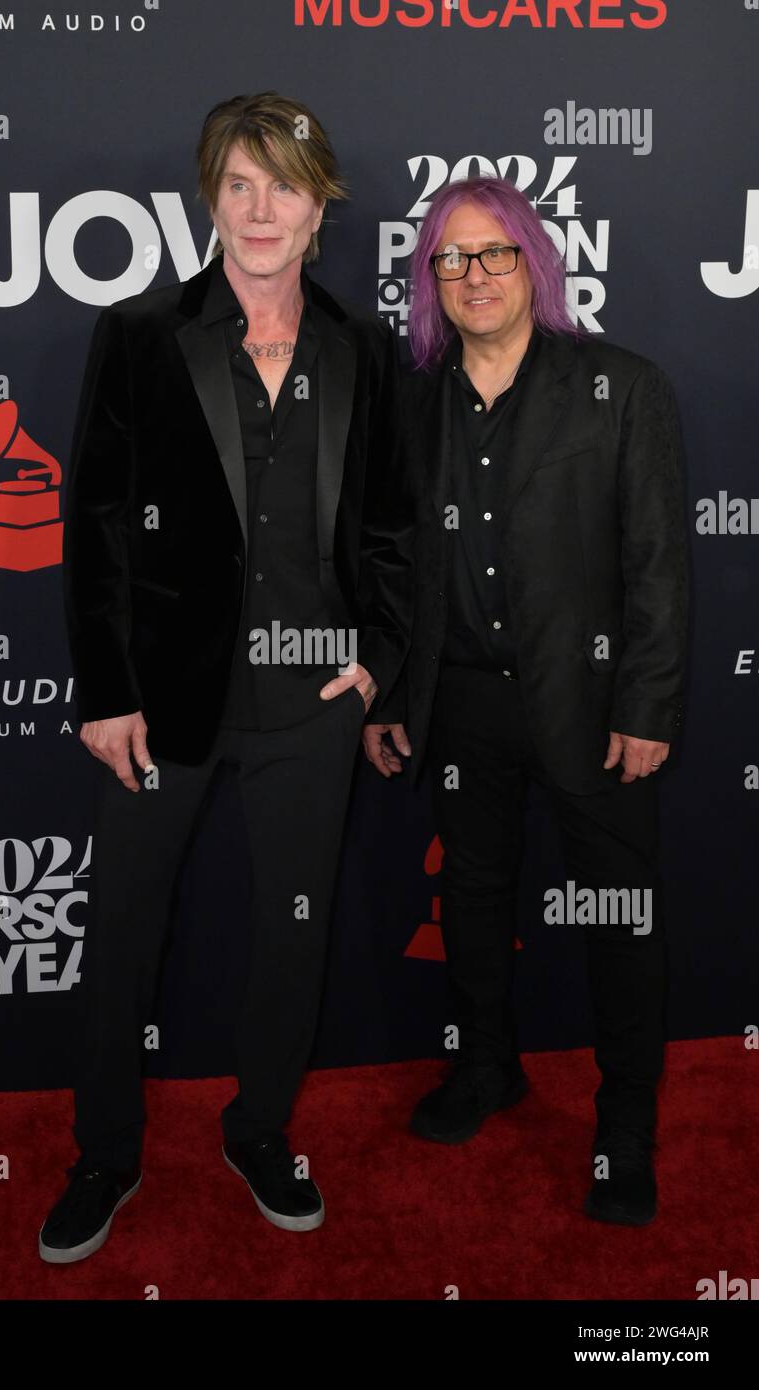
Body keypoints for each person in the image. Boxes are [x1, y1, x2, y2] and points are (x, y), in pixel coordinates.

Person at [39, 92, 412, 1262]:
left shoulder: (365, 349)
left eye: (284, 187)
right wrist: (105, 687)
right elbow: (94, 519)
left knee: (289, 933)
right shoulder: (142, 334)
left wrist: (377, 661)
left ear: (319, 207)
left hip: (310, 706)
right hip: (164, 702)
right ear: (211, 199)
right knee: (123, 932)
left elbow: (396, 529)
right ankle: (105, 1152)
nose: (261, 210)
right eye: (239, 185)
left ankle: (257, 1129)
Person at [364, 175, 688, 1227]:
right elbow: (391, 563)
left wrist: (645, 703)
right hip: (461, 705)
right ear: (429, 281)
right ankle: (487, 1068)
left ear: (533, 263)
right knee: (472, 904)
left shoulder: (620, 387)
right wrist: (388, 688)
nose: (473, 275)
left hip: (592, 706)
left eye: (493, 252)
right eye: (450, 259)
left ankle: (624, 1129)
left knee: (618, 927)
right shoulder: (410, 402)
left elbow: (657, 564)